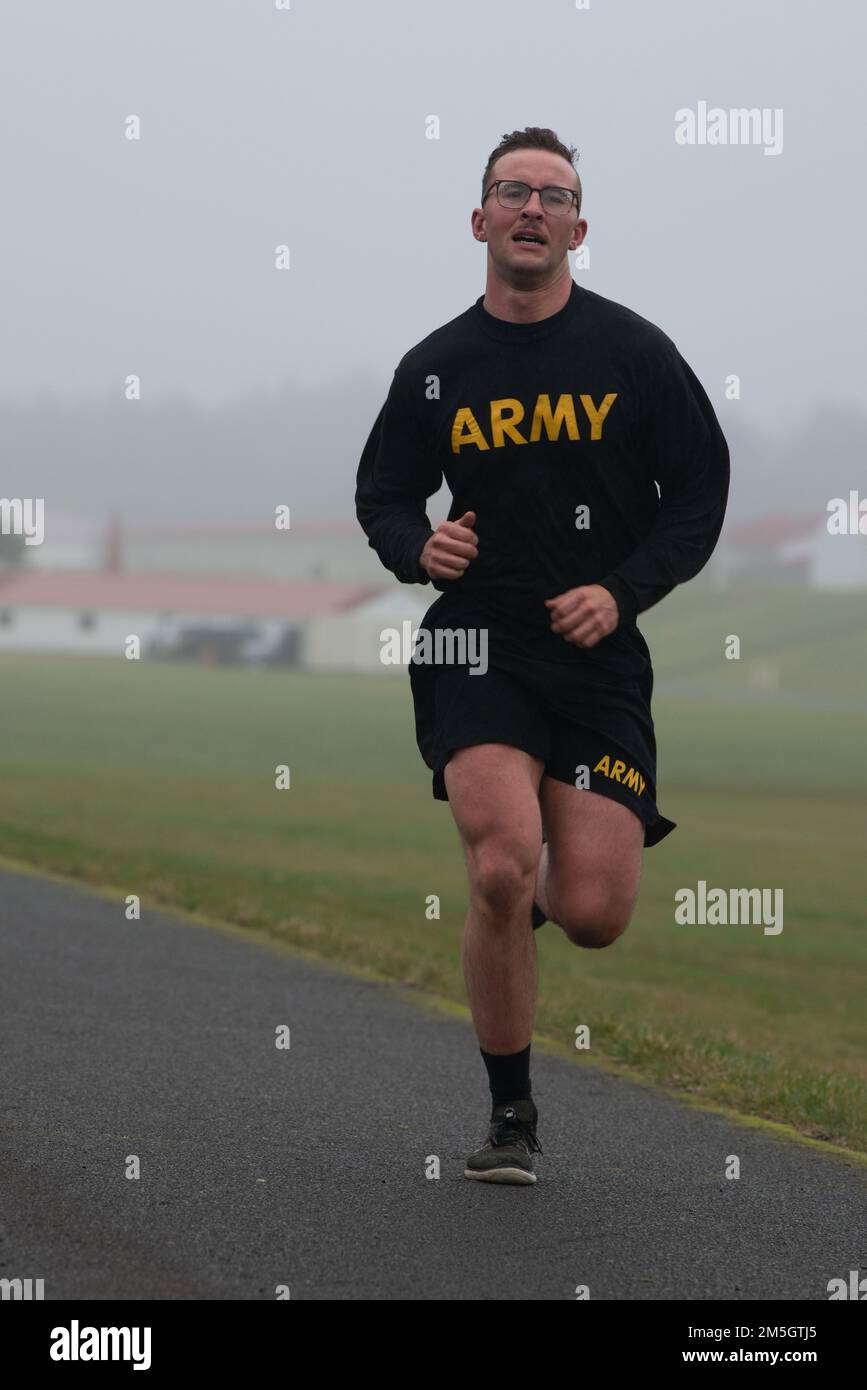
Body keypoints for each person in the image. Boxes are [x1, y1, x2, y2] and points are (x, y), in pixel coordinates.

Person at [355, 126, 730, 1184]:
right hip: (480, 640)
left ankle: (512, 906)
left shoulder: (635, 356)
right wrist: (417, 550)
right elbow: (383, 494)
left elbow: (699, 494)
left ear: (579, 226)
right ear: (479, 220)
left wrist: (620, 592)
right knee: (501, 855)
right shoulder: (436, 369)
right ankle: (511, 1113)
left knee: (597, 912)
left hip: (598, 657)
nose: (533, 209)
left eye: (554, 195)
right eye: (512, 192)